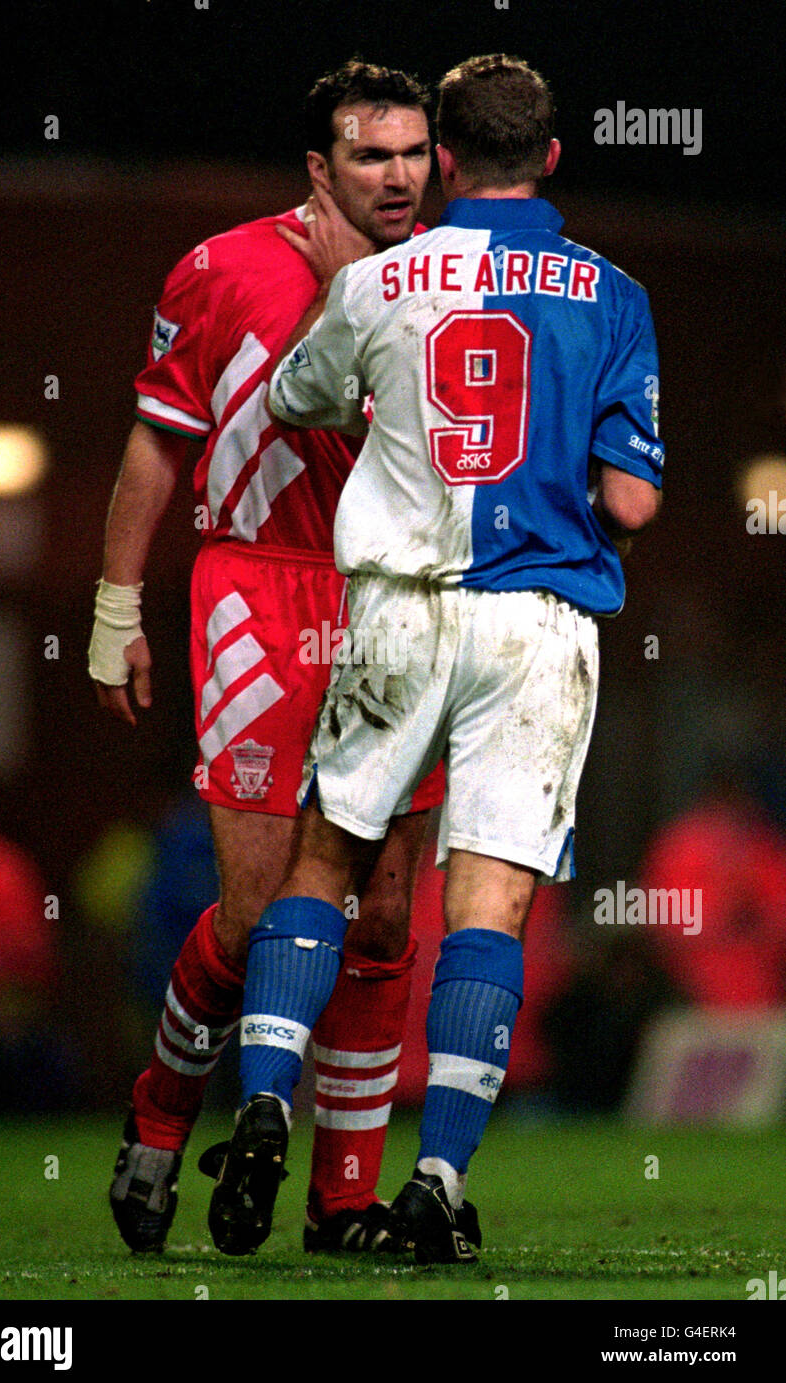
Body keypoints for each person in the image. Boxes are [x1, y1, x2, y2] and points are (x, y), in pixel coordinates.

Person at [208, 52, 664, 1263]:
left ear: (445, 162)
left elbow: (300, 400)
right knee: (490, 901)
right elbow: (632, 499)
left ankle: (262, 1094)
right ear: (553, 157)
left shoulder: (381, 281)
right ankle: (437, 1177)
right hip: (536, 626)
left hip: (397, 610)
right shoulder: (613, 293)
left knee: (327, 858)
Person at [88, 60, 441, 1255]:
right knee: (254, 923)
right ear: (318, 167)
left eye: (412, 153)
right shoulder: (218, 267)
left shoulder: (451, 280)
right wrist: (112, 607)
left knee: (386, 917)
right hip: (255, 592)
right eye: (370, 155)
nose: (397, 176)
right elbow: (156, 445)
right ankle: (159, 1117)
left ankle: (341, 1203)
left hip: (395, 606)